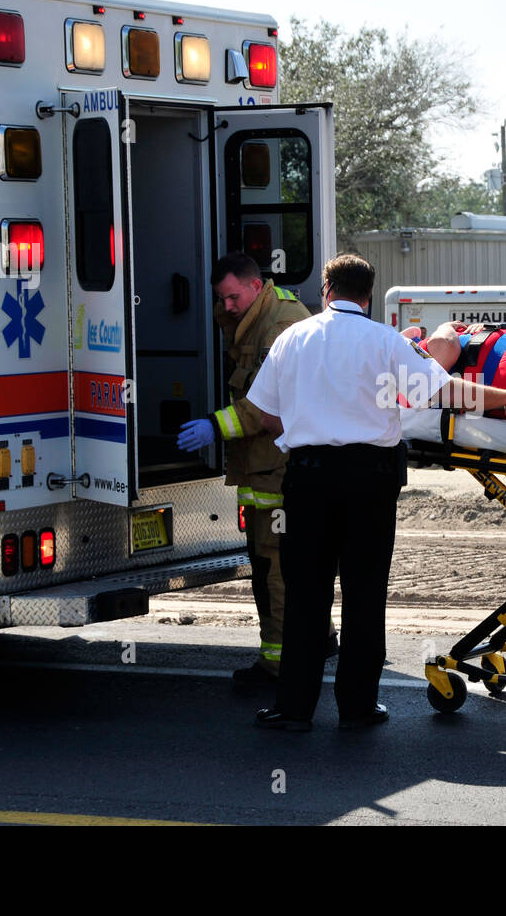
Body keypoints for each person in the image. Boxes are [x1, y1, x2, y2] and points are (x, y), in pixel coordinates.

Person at [246, 254, 506, 731]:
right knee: (364, 593)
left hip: (308, 480)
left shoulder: (291, 338)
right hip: (369, 481)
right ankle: (357, 707)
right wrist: (505, 398)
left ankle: (293, 709)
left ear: (325, 290)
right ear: (367, 295)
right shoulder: (384, 341)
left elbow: (265, 415)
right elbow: (442, 392)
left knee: (305, 595)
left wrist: (309, 420)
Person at [175, 252, 331, 686]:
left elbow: (266, 406)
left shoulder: (278, 327)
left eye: (231, 298)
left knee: (275, 570)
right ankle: (320, 638)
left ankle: (278, 664)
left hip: (279, 471)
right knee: (284, 566)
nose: (225, 308)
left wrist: (214, 426)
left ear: (254, 286)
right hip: (266, 468)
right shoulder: (258, 315)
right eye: (220, 300)